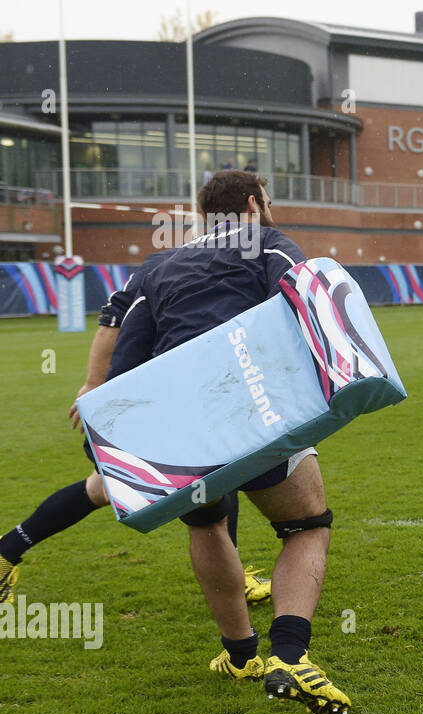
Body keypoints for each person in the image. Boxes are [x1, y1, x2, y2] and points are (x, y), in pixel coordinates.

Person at [108, 169, 351, 714]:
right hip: (252, 408)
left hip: (181, 424)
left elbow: (128, 358)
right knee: (306, 526)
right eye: (267, 199)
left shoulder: (158, 265)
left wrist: (119, 442)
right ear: (252, 203)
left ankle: (240, 654)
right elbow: (305, 302)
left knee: (208, 522)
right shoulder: (269, 244)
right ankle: (289, 656)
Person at [0, 248, 269, 608]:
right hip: (149, 400)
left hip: (149, 397)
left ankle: (8, 550)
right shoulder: (178, 265)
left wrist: (95, 385)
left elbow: (114, 313)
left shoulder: (177, 263)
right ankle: (234, 586)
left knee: (107, 488)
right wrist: (94, 385)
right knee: (212, 474)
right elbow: (115, 315)